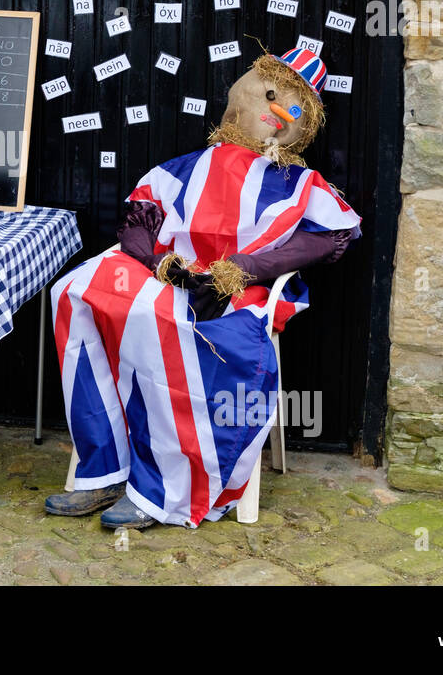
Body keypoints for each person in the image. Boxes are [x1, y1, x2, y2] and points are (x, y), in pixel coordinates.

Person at [45, 48, 362, 529]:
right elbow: (136, 223)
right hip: (170, 274)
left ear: (305, 125)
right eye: (272, 95)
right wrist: (162, 264)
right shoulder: (183, 168)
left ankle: (164, 489)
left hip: (238, 292)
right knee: (74, 289)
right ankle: (104, 467)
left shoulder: (299, 182)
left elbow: (328, 236)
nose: (278, 111)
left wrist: (243, 266)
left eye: (294, 109)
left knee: (165, 320)